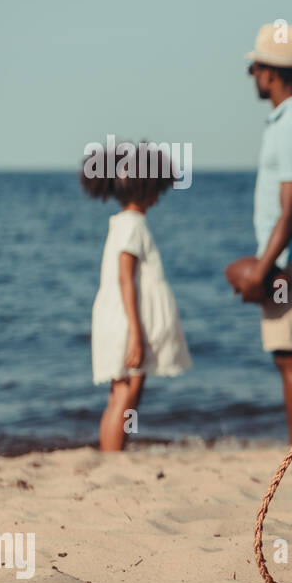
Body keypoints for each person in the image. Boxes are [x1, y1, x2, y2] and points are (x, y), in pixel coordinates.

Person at [231, 22, 292, 442]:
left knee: (289, 355)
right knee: (287, 354)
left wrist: (263, 269)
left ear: (270, 71)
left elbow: (289, 211)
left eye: (254, 66)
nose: (251, 74)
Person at [82, 140, 192, 451]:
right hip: (126, 321)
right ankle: (114, 452)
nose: (160, 195)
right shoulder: (132, 226)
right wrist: (136, 333)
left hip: (118, 317)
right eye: (158, 187)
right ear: (144, 188)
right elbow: (125, 278)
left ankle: (110, 452)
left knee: (122, 390)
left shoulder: (124, 224)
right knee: (129, 389)